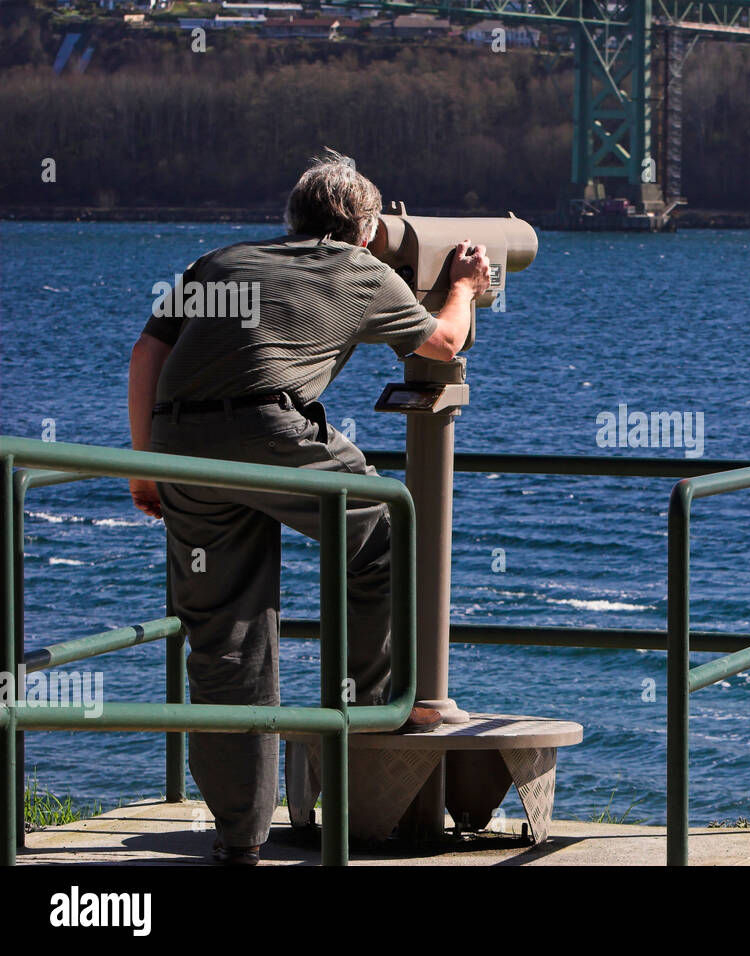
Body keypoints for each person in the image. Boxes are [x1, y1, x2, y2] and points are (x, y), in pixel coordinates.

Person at [126, 149, 490, 866]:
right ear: (363, 230)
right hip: (269, 430)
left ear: (290, 218)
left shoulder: (218, 262)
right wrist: (468, 287)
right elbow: (443, 343)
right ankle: (376, 705)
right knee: (391, 532)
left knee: (225, 634)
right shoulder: (360, 270)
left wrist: (145, 467)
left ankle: (240, 838)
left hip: (177, 440)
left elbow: (147, 354)